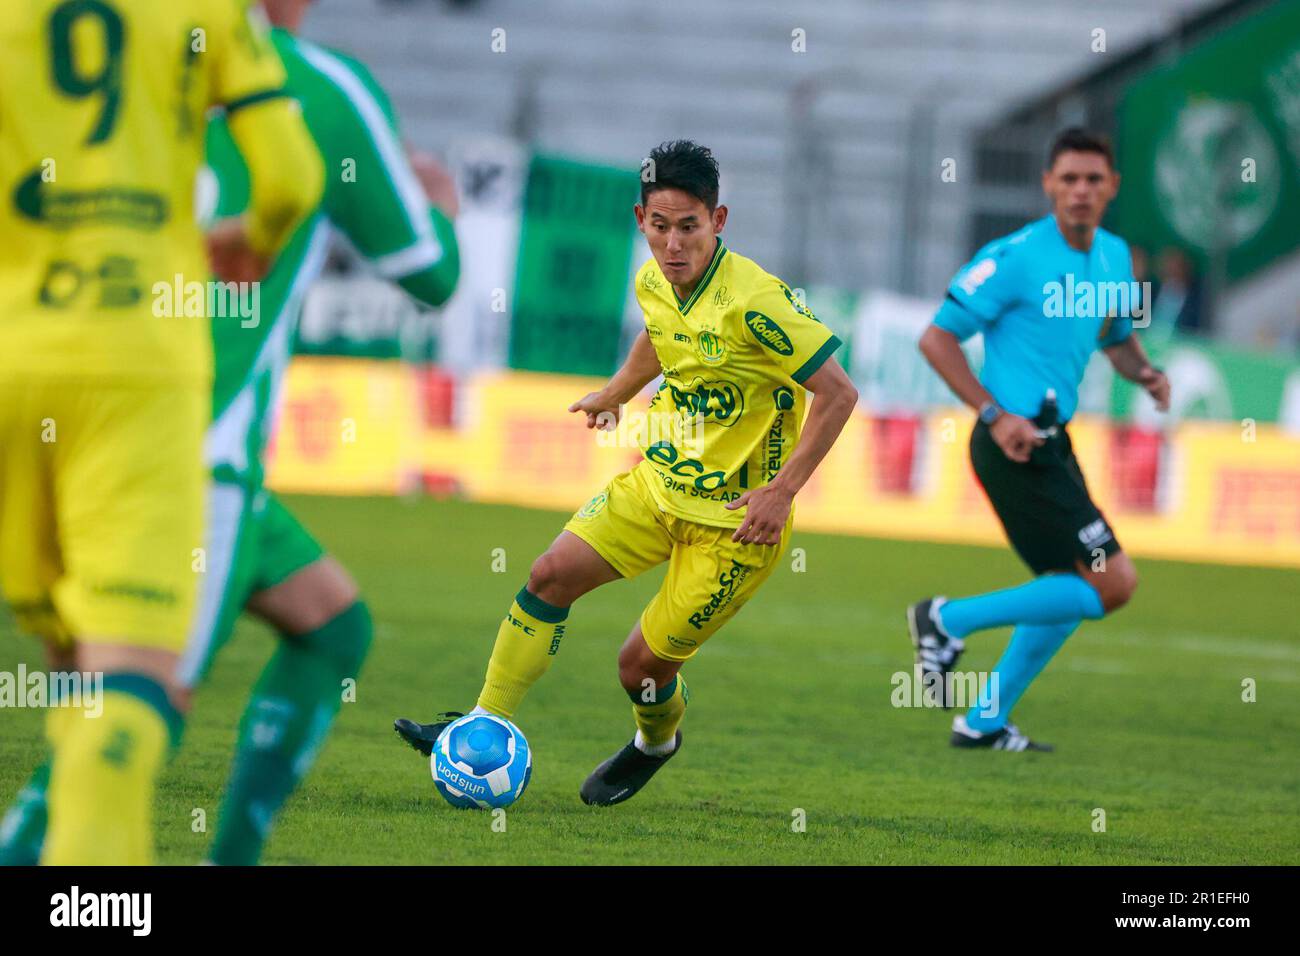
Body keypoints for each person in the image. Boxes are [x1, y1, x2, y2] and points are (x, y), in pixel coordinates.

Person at [0, 0, 458, 865]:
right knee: (124, 720)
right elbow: (425, 271)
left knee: (331, 623)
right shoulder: (298, 74)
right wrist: (435, 200)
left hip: (26, 379)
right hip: (175, 441)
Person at [395, 140, 858, 805]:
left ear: (718, 221)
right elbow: (658, 335)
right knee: (547, 576)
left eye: (689, 227)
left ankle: (655, 741)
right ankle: (484, 720)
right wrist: (616, 391)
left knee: (638, 668)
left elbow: (838, 393)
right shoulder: (653, 280)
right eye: (660, 226)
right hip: (658, 486)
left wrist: (781, 493)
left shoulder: (758, 303)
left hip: (734, 526)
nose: (673, 244)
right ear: (640, 219)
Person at [911, 127, 1171, 751]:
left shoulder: (1116, 257)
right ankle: (946, 619)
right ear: (1048, 184)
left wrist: (1147, 373)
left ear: (1112, 187)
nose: (1080, 190)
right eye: (1069, 179)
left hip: (1056, 445)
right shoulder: (1015, 256)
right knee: (1113, 583)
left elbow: (1115, 336)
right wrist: (995, 414)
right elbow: (936, 338)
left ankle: (982, 722)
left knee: (1067, 586)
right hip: (1013, 446)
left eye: (1093, 179)